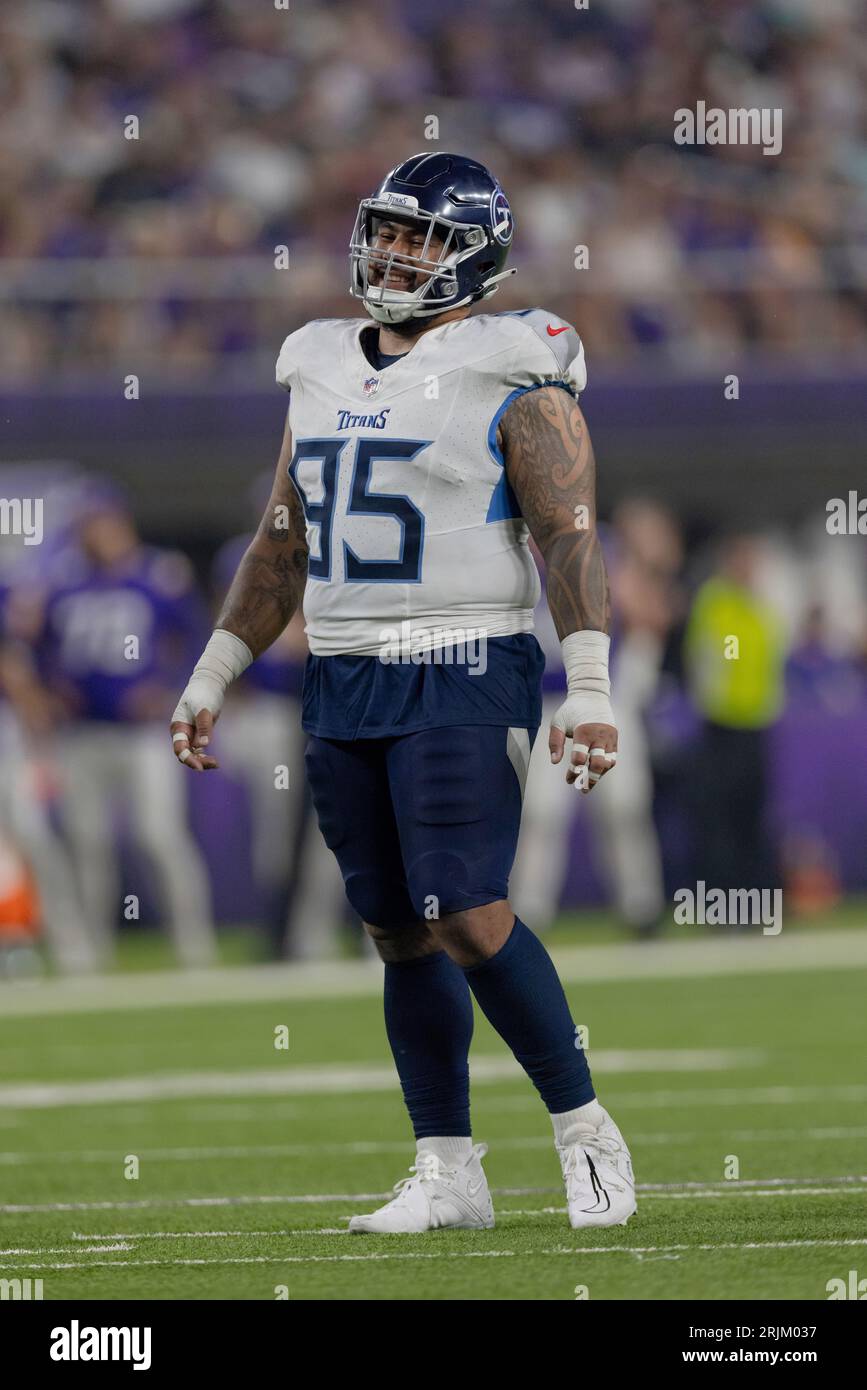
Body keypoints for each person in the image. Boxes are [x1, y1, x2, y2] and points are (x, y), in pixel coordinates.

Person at [171, 153, 636, 1232]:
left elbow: (568, 533)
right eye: (387, 230)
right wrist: (215, 670)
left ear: (473, 248)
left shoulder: (516, 363)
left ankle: (583, 1127)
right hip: (344, 673)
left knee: (467, 912)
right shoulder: (321, 361)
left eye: (421, 236)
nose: (394, 252)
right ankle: (447, 1167)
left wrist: (592, 682)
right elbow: (283, 540)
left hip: (468, 659)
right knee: (397, 929)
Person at [30, 483, 218, 967]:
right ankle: (91, 954)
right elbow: (42, 649)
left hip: (142, 734)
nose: (97, 536)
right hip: (83, 734)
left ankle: (194, 944)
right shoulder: (64, 583)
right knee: (87, 843)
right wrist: (52, 688)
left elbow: (199, 639)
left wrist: (168, 688)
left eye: (103, 525)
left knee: (158, 835)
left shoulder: (159, 576)